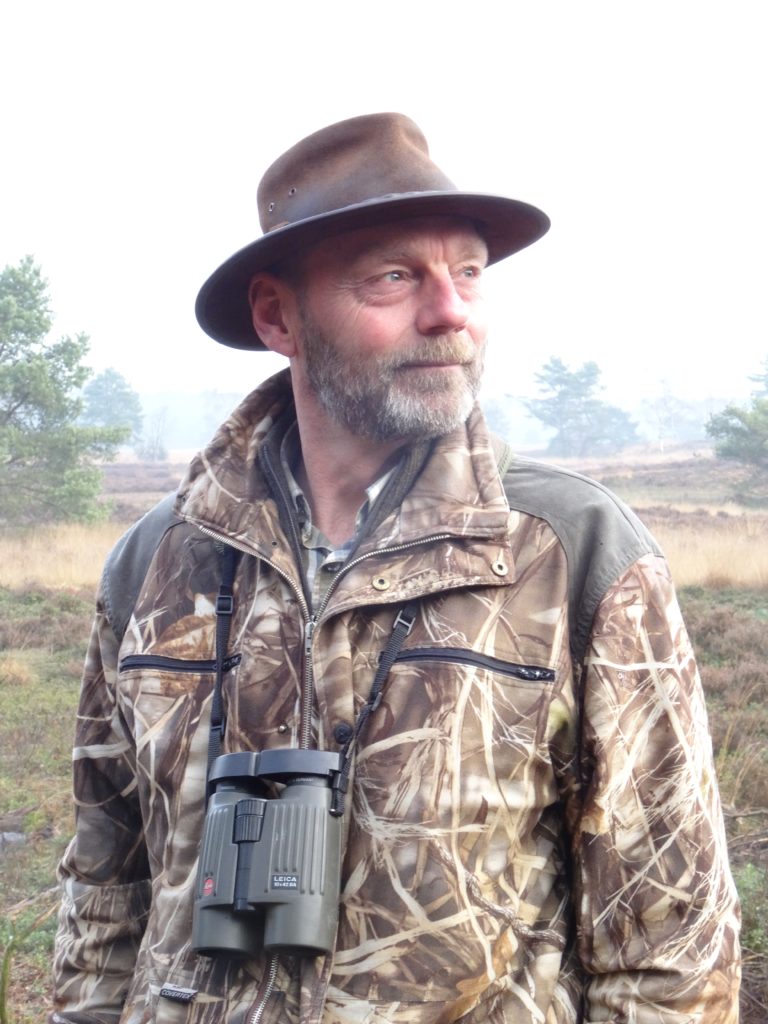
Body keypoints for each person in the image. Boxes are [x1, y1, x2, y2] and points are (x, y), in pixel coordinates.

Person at [51, 113, 740, 1024]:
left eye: (467, 272)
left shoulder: (570, 555)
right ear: (277, 315)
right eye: (393, 277)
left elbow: (671, 950)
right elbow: (105, 889)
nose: (450, 310)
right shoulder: (157, 562)